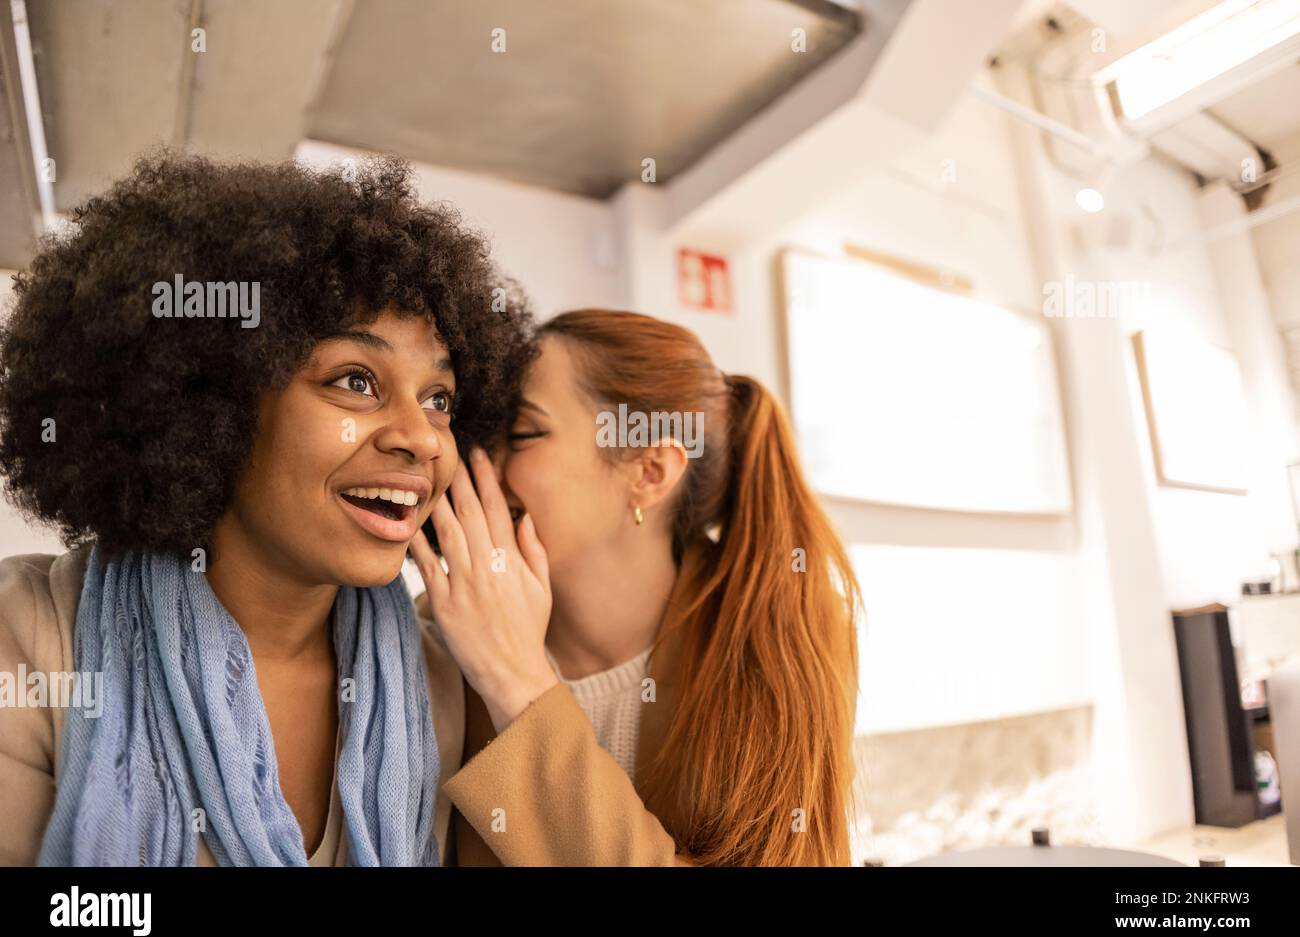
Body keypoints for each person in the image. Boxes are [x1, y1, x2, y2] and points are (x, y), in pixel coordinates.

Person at [0, 151, 533, 866]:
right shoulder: (30, 636)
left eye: (439, 398)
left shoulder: (446, 685)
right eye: (356, 380)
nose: (422, 438)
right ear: (209, 402)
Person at [411, 309, 863, 866]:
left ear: (650, 472)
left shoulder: (784, 634)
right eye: (483, 434)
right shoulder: (444, 629)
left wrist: (518, 685)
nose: (477, 463)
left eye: (523, 433)